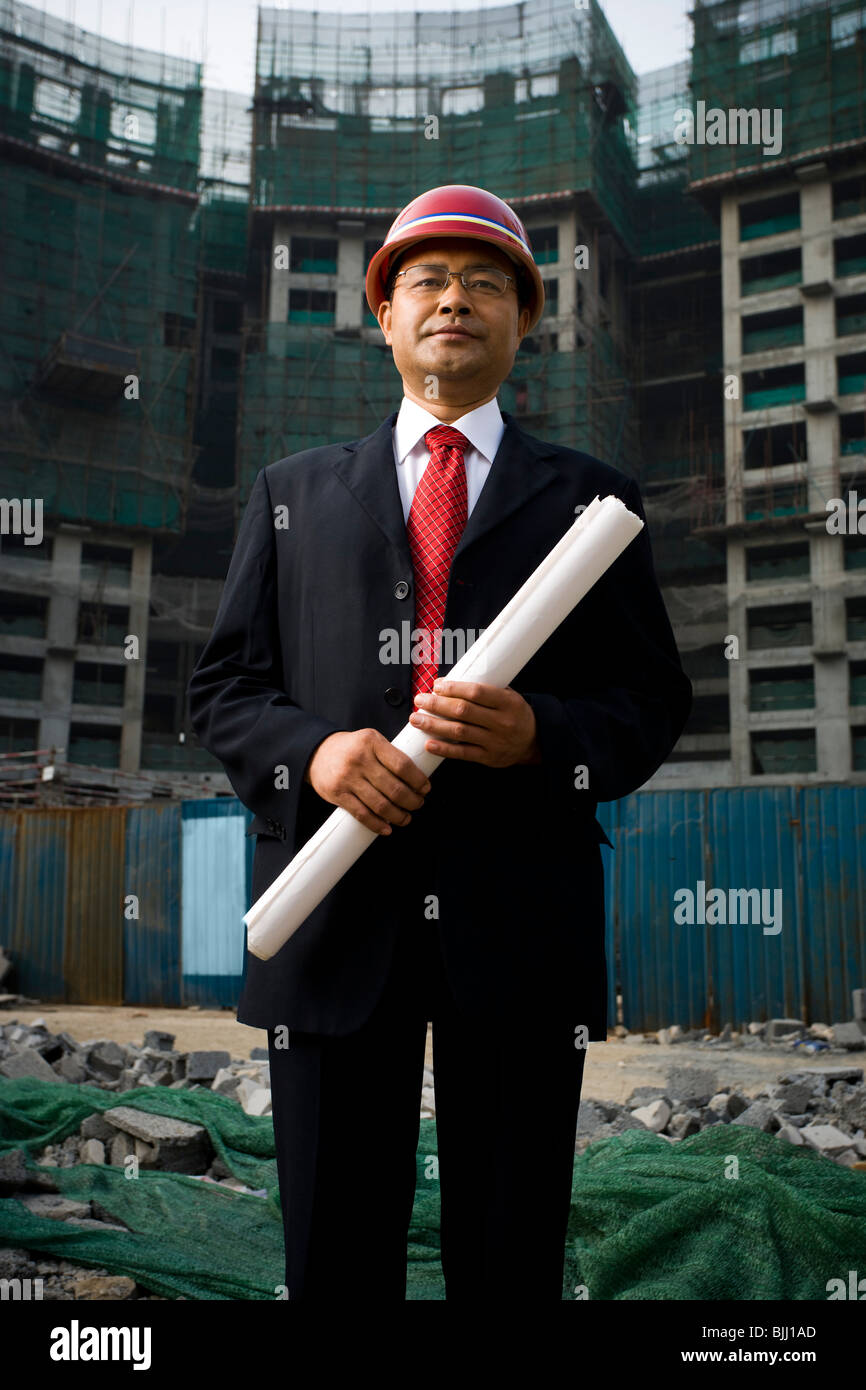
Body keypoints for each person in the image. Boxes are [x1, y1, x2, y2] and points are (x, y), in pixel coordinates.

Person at [187, 183, 692, 1302]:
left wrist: (540, 734)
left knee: (508, 1253)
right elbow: (221, 687)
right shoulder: (290, 496)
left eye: (483, 282)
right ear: (384, 316)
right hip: (330, 917)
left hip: (517, 919)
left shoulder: (590, 505)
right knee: (331, 1251)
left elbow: (650, 700)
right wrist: (312, 755)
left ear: (522, 319)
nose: (452, 299)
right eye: (425, 278)